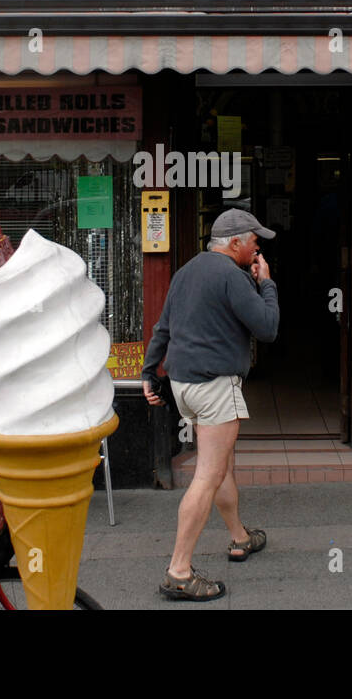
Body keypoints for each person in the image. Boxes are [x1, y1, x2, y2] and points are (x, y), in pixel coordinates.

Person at [141, 208, 280, 601]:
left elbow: (162, 328)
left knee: (222, 465)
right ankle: (179, 570)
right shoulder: (232, 276)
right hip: (215, 385)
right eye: (254, 242)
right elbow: (267, 329)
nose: (257, 251)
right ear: (234, 242)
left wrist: (150, 374)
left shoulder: (186, 271)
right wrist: (266, 285)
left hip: (184, 383)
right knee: (208, 474)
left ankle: (239, 538)